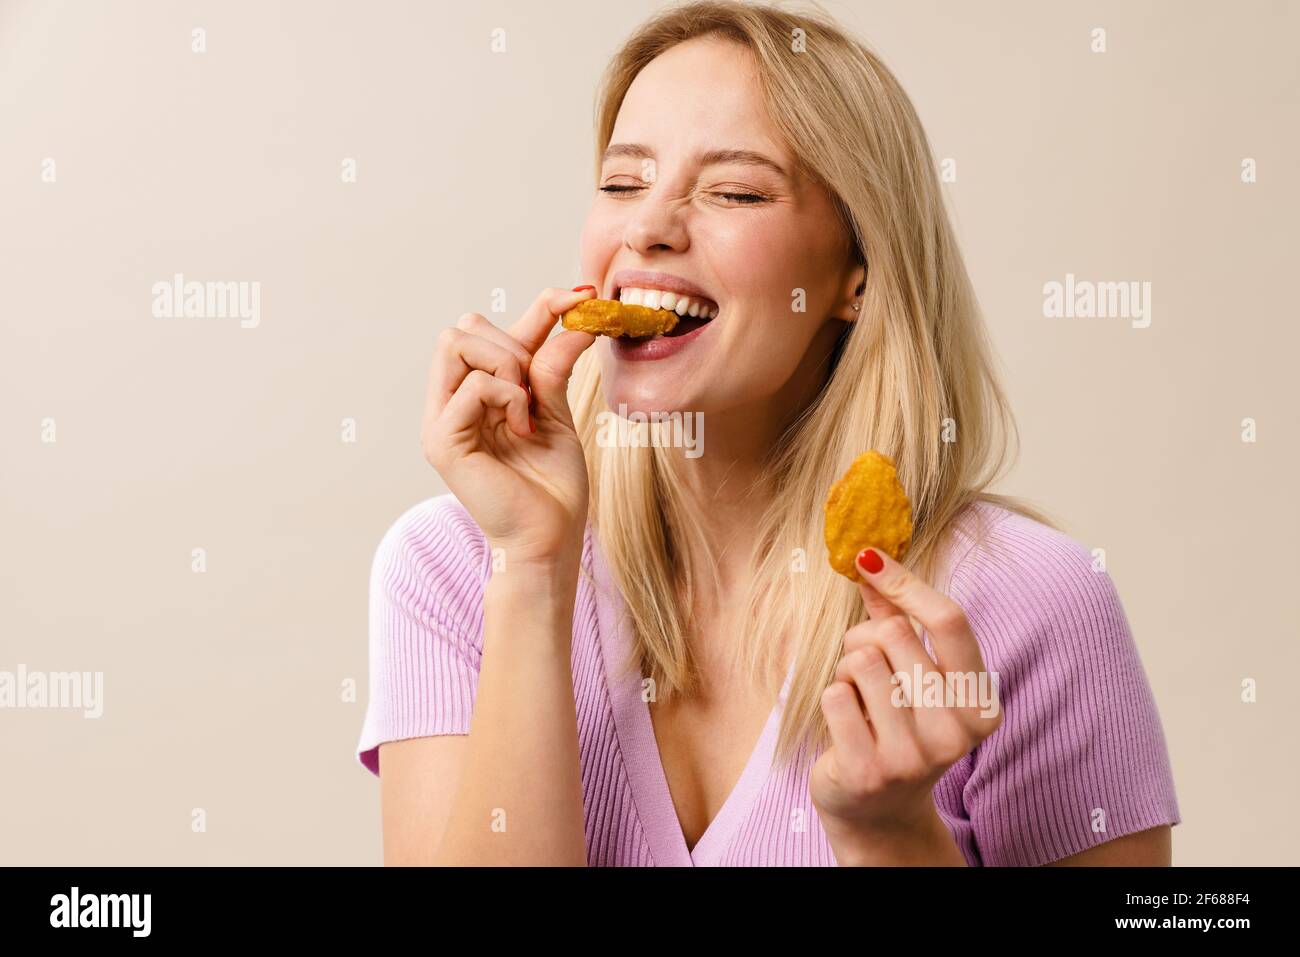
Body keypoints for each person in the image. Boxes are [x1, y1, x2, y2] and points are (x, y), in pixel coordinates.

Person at [356, 0, 1180, 866]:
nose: (647, 228)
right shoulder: (452, 566)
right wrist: (528, 572)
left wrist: (892, 834)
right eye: (623, 182)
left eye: (734, 191)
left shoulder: (1031, 602)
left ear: (854, 277)